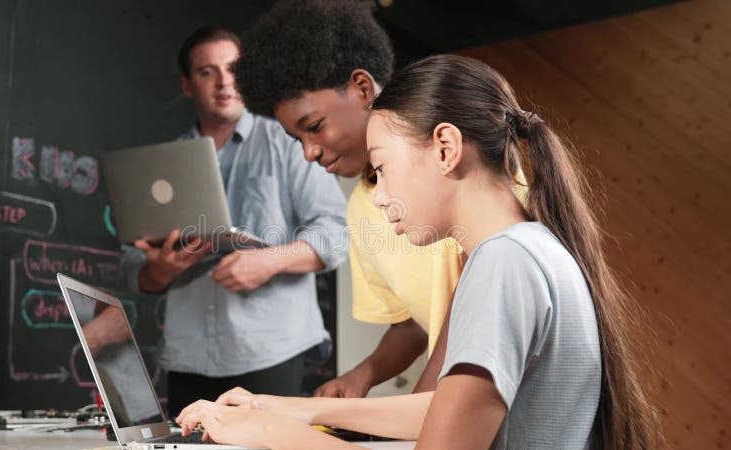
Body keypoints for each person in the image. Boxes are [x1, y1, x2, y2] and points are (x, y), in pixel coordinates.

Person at [175, 55, 661, 449]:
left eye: (382, 168)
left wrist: (275, 436)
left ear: (446, 148)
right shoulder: (530, 249)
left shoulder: (502, 264)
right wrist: (289, 408)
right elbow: (449, 407)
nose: (379, 194)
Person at [232, 0, 469, 398]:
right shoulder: (362, 206)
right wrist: (360, 377)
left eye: (315, 126)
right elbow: (414, 323)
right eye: (298, 139)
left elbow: (470, 309)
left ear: (362, 88)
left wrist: (419, 415)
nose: (308, 153)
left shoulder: (451, 160)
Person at [119, 26, 348, 417]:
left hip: (269, 350)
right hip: (187, 354)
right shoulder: (161, 163)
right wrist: (159, 271)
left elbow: (337, 233)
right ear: (188, 85)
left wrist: (268, 260)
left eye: (233, 69)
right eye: (207, 72)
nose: (224, 81)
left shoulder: (289, 142)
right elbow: (131, 268)